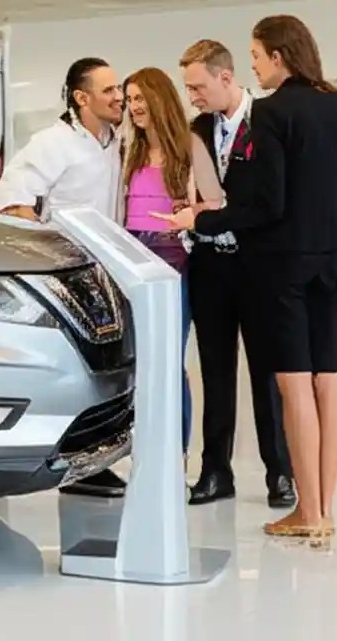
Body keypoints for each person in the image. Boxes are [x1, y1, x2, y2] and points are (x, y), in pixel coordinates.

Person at [157, 16, 337, 538]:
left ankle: (309, 512)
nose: (252, 64)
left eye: (255, 54)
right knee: (331, 382)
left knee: (295, 384)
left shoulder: (272, 113)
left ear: (279, 56)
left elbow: (264, 204)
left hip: (284, 265)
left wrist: (200, 220)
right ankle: (327, 511)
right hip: (333, 261)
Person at [0, 56, 128, 498]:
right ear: (81, 97)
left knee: (114, 374)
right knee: (82, 374)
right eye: (107, 90)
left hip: (111, 275)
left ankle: (95, 459)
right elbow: (12, 196)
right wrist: (45, 250)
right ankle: (77, 466)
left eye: (118, 88)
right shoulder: (53, 143)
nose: (118, 96)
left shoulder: (116, 140)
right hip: (71, 277)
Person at [177, 40, 296, 509]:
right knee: (216, 372)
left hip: (259, 268)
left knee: (267, 374)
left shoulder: (267, 124)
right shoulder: (196, 131)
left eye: (199, 86)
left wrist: (211, 217)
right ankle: (215, 471)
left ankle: (280, 472)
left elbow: (268, 206)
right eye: (187, 88)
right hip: (211, 269)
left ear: (226, 78)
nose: (193, 96)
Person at [120, 67, 215, 459]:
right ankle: (147, 450)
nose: (134, 108)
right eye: (129, 101)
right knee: (141, 364)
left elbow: (215, 201)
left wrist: (189, 211)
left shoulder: (190, 146)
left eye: (140, 98)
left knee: (168, 361)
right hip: (133, 265)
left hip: (174, 264)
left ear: (160, 98)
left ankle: (176, 451)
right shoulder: (130, 150)